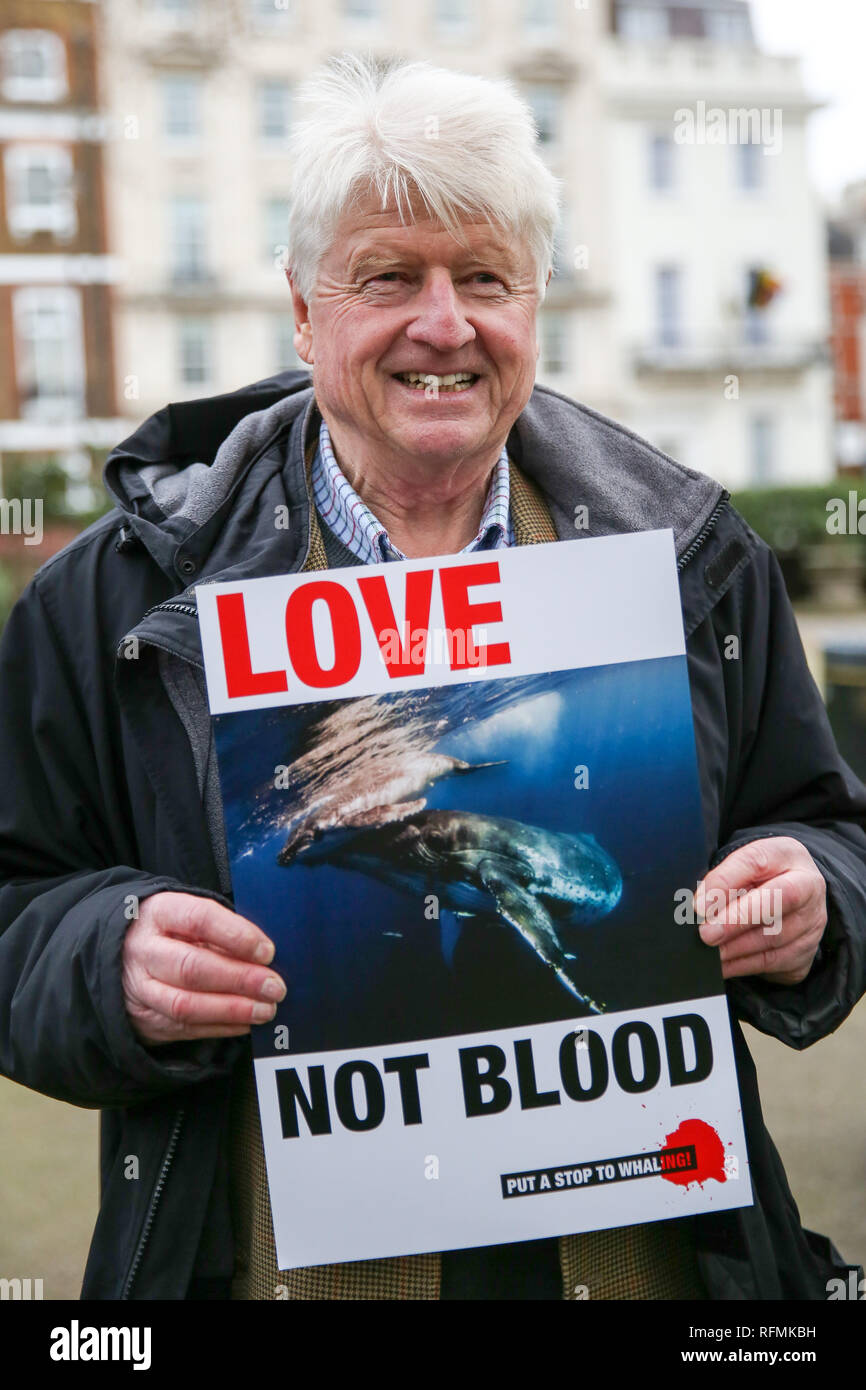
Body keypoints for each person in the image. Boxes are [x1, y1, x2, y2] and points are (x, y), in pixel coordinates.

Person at [0, 53, 864, 1302]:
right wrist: (106, 954)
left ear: (536, 304)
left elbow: (825, 826)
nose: (444, 324)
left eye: (484, 279)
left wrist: (808, 898)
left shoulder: (689, 557)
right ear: (303, 311)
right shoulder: (118, 597)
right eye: (387, 277)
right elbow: (19, 898)